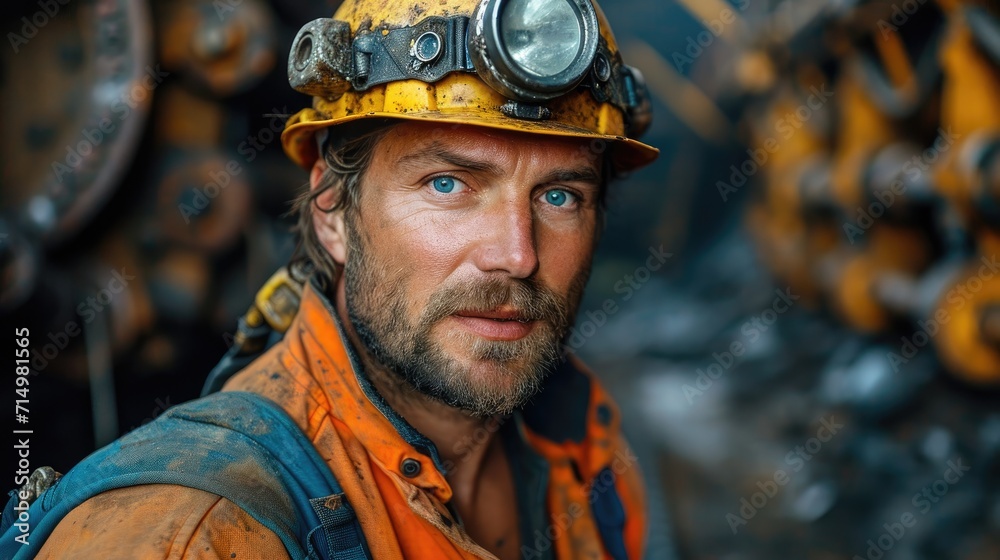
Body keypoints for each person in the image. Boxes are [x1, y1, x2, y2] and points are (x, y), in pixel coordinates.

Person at [22, 0, 659, 557]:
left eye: (560, 197)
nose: (517, 255)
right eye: (448, 184)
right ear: (333, 213)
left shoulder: (582, 442)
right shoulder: (191, 534)